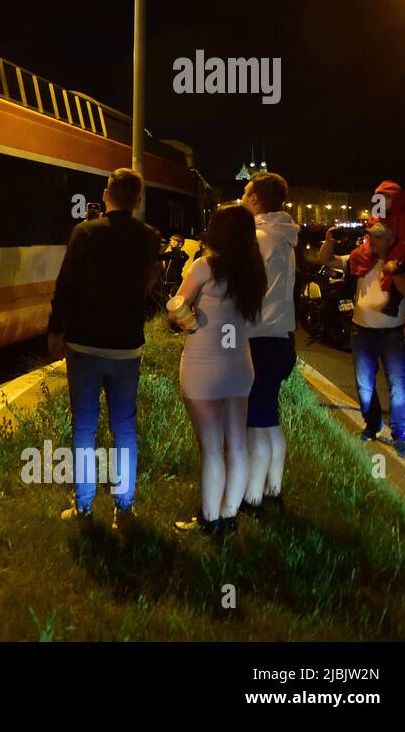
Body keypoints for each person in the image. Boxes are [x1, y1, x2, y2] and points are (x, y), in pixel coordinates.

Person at [48, 168, 162, 531]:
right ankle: (124, 508)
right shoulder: (149, 238)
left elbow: (66, 285)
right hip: (127, 347)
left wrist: (55, 329)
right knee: (124, 428)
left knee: (84, 427)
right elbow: (150, 283)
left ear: (107, 194)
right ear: (138, 200)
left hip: (84, 344)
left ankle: (83, 508)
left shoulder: (85, 233)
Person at [168, 205, 267, 535]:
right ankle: (229, 516)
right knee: (236, 444)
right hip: (240, 365)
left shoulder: (204, 267)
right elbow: (253, 318)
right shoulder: (254, 270)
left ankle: (210, 520)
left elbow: (177, 307)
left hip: (203, 366)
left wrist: (187, 317)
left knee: (211, 448)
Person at [318, 221, 405, 458]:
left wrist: (394, 272)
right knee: (364, 385)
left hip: (392, 333)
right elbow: (326, 260)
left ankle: (401, 435)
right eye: (370, 236)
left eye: (378, 237)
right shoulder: (361, 259)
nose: (372, 241)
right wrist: (330, 241)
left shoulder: (404, 265)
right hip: (361, 331)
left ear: (391, 240)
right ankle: (372, 424)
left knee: (397, 385)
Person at [240, 171, 299, 512]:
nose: (242, 201)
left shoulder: (260, 238)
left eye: (245, 195)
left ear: (256, 200)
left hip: (259, 337)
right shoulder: (285, 236)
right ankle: (274, 487)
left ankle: (252, 496)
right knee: (270, 417)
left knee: (256, 421)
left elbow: (241, 285)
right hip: (282, 337)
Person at [346, 180, 405, 319]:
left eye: (387, 197)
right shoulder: (378, 215)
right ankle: (349, 291)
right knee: (355, 257)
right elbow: (371, 232)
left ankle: (393, 303)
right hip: (385, 248)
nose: (383, 201)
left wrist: (392, 257)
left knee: (398, 266)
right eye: (381, 197)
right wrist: (365, 247)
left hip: (404, 249)